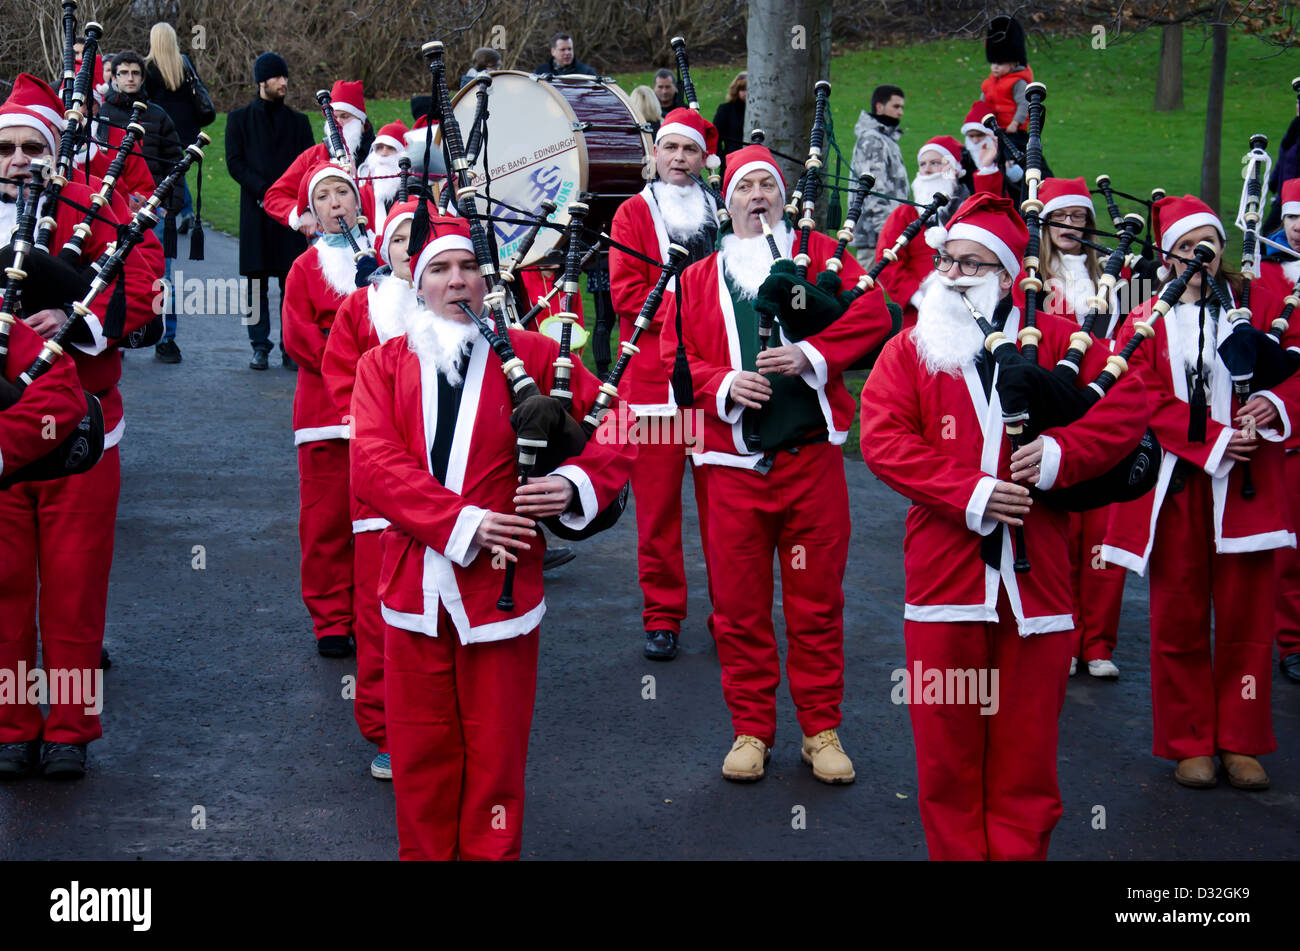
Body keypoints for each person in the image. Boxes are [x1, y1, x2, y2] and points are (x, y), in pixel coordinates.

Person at [860, 192, 1151, 859]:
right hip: (944, 580)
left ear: (1004, 275)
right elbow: (881, 437)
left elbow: (1126, 400)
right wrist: (973, 491)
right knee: (946, 753)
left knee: (1026, 755)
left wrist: (1057, 456)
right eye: (949, 261)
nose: (955, 274)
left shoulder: (1054, 341)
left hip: (1039, 582)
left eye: (973, 262)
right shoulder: (910, 350)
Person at [349, 211, 633, 859]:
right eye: (440, 270)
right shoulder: (383, 365)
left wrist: (574, 486)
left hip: (503, 598)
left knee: (496, 761)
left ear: (489, 282)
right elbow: (373, 466)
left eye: (470, 268)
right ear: (417, 284)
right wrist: (466, 524)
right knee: (421, 759)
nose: (457, 282)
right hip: (411, 594)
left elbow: (623, 426)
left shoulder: (535, 357)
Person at [659, 143, 893, 783]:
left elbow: (878, 316)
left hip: (811, 461)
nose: (757, 196)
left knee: (818, 602)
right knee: (739, 606)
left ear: (783, 199)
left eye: (767, 185)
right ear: (725, 201)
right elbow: (671, 360)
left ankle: (821, 729)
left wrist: (814, 355)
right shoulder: (695, 279)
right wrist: (724, 385)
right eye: (745, 187)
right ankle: (751, 730)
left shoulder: (820, 260)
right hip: (731, 468)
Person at [1102, 195, 1299, 791]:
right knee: (1179, 618)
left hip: (1248, 487)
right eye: (1187, 248)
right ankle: (1189, 739)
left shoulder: (1259, 303)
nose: (1199, 259)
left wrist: (1273, 405)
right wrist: (1210, 441)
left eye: (1208, 247)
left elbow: (1295, 371)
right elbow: (1136, 392)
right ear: (1168, 255)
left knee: (1246, 620)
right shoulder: (1143, 312)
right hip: (1180, 486)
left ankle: (1241, 740)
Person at [0, 74, 164, 780]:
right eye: (4, 148)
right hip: (1, 441)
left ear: (55, 150)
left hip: (82, 434)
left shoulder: (93, 208)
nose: (16, 160)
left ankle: (68, 725)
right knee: (4, 590)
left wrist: (76, 320)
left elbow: (147, 290)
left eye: (31, 146)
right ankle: (11, 723)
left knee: (72, 586)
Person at [610, 107, 722, 661]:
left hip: (714, 387)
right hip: (654, 387)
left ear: (704, 159)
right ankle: (662, 614)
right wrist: (696, 309)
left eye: (690, 151)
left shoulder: (720, 213)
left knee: (725, 511)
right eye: (670, 149)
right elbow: (627, 293)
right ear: (655, 153)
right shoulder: (632, 213)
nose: (679, 160)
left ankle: (730, 612)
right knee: (657, 510)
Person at [322, 199, 419, 781]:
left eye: (423, 237)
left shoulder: (470, 313)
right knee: (379, 610)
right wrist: (373, 436)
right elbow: (340, 379)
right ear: (386, 245)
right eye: (402, 237)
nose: (412, 248)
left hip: (447, 489)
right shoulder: (362, 307)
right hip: (379, 491)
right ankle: (384, 729)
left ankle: (434, 723)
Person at [1036, 176, 1130, 679]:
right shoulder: (1031, 273)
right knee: (1062, 529)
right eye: (1062, 218)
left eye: (1080, 218)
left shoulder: (1115, 273)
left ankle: (1099, 642)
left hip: (1100, 396)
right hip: (1053, 401)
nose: (1072, 226)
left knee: (1102, 528)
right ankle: (1065, 637)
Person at [282, 162, 375, 659]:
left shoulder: (384, 259)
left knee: (376, 517)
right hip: (322, 414)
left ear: (359, 202)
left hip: (381, 415)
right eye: (325, 197)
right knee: (326, 521)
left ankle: (372, 612)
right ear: (312, 213)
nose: (337, 202)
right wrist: (357, 369)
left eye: (344, 193)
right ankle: (331, 618)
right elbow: (299, 336)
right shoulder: (305, 267)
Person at [225, 51, 315, 371]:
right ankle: (258, 345)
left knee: (290, 283)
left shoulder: (299, 122)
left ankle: (290, 346)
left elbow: (310, 164)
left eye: (285, 76)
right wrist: (264, 192)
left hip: (290, 213)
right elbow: (235, 163)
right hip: (255, 211)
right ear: (261, 81)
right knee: (254, 285)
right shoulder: (238, 120)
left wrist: (287, 197)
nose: (284, 82)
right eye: (277, 77)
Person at [101, 51, 184, 363]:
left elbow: (175, 162)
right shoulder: (104, 116)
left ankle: (166, 337)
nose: (130, 78)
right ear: (114, 77)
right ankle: (114, 335)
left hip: (152, 209)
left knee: (161, 276)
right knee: (111, 273)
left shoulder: (158, 115)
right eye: (124, 72)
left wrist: (165, 206)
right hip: (113, 209)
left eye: (135, 72)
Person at [1258, 177, 1300, 684]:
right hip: (1286, 425)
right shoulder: (1263, 275)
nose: (1297, 229)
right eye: (1292, 217)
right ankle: (1292, 640)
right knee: (1289, 547)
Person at [873, 135, 970, 329]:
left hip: (967, 312)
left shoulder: (969, 209)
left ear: (954, 169)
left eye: (935, 163)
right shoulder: (904, 214)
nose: (926, 170)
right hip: (920, 317)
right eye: (922, 164)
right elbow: (888, 261)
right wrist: (918, 298)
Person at [262, 80, 377, 237]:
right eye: (334, 118)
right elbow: (274, 196)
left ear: (361, 121)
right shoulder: (314, 156)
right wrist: (301, 214)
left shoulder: (383, 152)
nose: (338, 124)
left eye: (345, 116)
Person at [144, 22, 210, 233]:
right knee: (177, 166)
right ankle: (183, 209)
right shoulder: (184, 62)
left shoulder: (149, 67)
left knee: (171, 168)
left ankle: (183, 208)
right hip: (187, 124)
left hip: (162, 124)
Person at [851, 84, 907, 268]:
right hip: (874, 237)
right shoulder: (873, 140)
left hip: (884, 234)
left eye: (902, 108)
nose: (900, 113)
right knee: (866, 290)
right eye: (896, 106)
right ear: (879, 107)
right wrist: (888, 233)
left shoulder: (885, 139)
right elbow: (873, 191)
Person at [980, 15, 1033, 135]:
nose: (995, 67)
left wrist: (1015, 123)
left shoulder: (1018, 82)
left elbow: (1024, 104)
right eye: (993, 63)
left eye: (1000, 63)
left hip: (1014, 131)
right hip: (993, 131)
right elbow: (983, 105)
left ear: (1012, 64)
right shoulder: (988, 83)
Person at [1262, 97, 1300, 233]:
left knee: (1271, 230)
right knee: (1271, 232)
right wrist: (1274, 178)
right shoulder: (1295, 126)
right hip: (1284, 193)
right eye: (1298, 103)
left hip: (1295, 198)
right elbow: (1284, 156)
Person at [358, 120, 409, 214]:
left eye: (391, 148)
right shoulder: (364, 187)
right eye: (379, 148)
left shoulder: (413, 188)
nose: (384, 153)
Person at [711, 72, 746, 174]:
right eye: (743, 90)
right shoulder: (725, 110)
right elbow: (715, 136)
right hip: (731, 162)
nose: (746, 93)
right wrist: (723, 160)